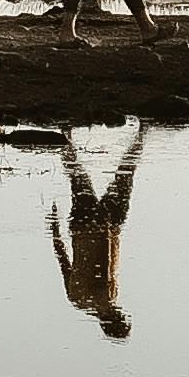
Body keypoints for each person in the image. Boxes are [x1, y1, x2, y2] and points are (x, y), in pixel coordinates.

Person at [49, 122, 147, 337]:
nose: (121, 311)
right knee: (77, 178)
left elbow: (105, 262)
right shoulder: (76, 300)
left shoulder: (106, 298)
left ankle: (142, 132)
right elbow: (63, 261)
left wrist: (107, 229)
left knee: (125, 174)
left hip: (104, 227)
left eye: (121, 316)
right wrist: (55, 232)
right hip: (81, 227)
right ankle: (65, 135)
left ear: (116, 318)